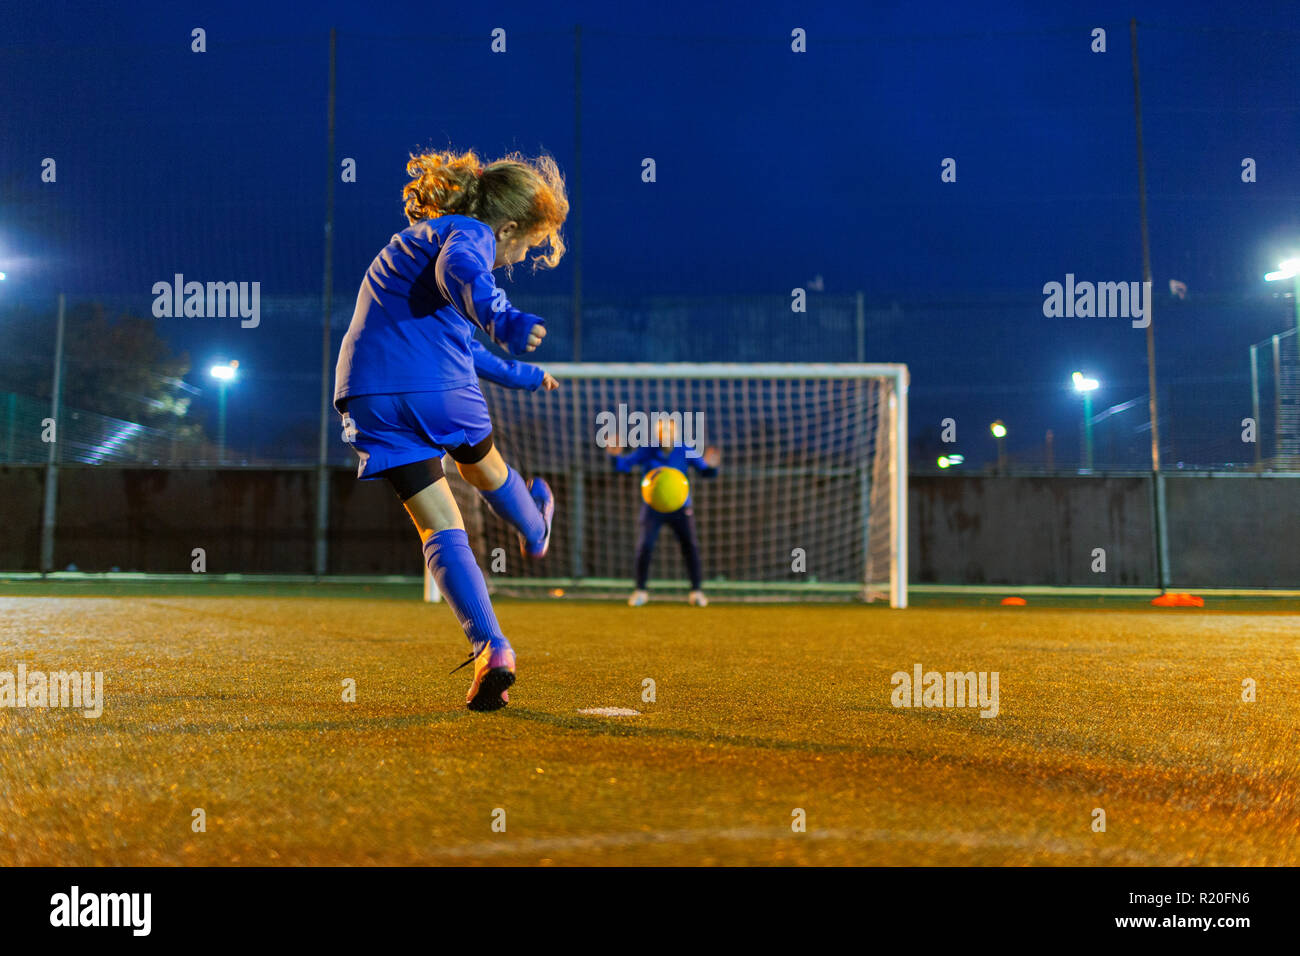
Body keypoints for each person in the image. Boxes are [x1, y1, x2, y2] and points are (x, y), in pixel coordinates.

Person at [334, 147, 568, 712]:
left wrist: (521, 373)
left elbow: (464, 346)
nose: (515, 257)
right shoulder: (468, 235)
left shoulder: (410, 246)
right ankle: (536, 529)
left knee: (437, 525)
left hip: (367, 392)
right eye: (524, 247)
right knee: (484, 467)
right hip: (438, 389)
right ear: (507, 226)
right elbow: (461, 272)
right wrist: (505, 319)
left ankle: (491, 647)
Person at [606, 420, 720, 606]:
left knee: (690, 547)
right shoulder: (648, 449)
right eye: (662, 432)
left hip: (681, 508)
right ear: (657, 434)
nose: (666, 435)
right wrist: (613, 456)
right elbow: (623, 465)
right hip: (653, 508)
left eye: (669, 431)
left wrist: (712, 466)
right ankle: (640, 591)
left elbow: (705, 471)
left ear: (675, 433)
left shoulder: (684, 449)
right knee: (645, 547)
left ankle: (696, 592)